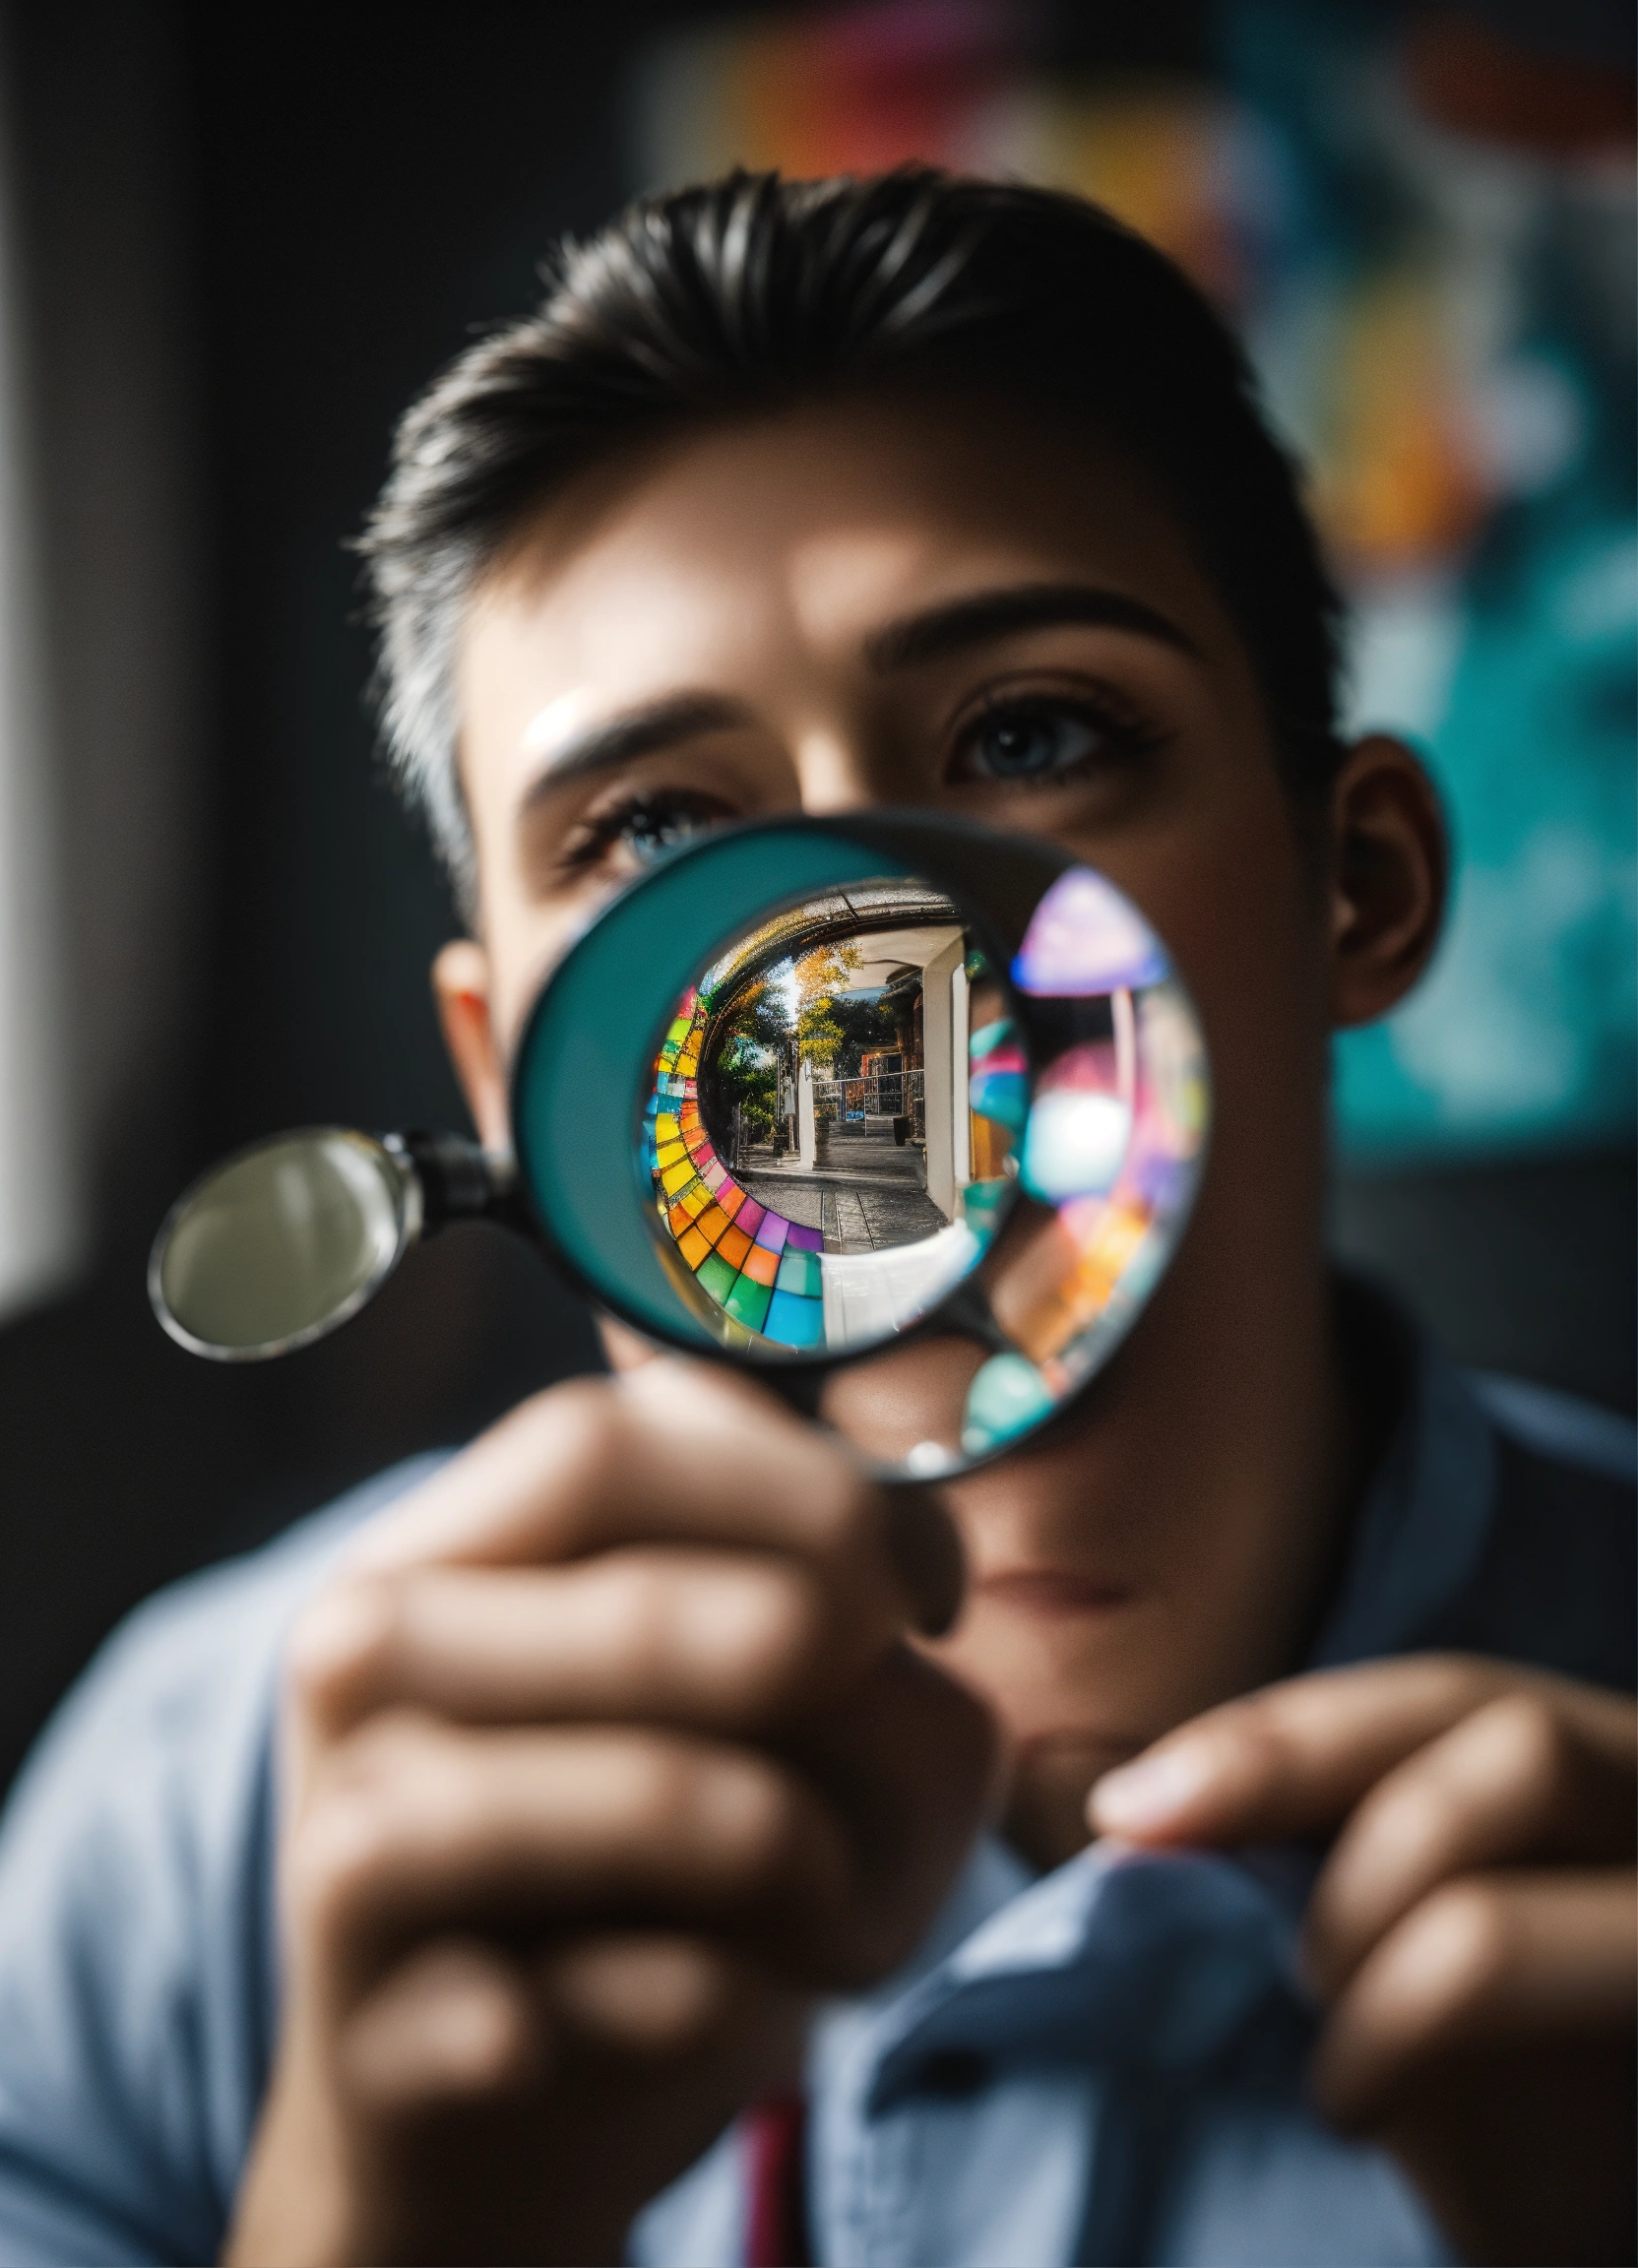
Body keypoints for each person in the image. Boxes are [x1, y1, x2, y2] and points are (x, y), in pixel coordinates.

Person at [0, 168, 1631, 2268]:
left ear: (1363, 889)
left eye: (1030, 734)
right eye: (659, 830)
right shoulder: (198, 1813)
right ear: (508, 1084)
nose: (859, 986)